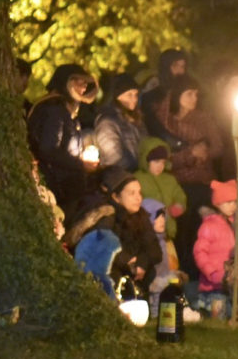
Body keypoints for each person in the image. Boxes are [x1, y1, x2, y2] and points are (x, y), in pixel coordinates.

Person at [156, 75, 224, 277]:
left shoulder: (204, 119)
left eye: (196, 94)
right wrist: (188, 155)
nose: (194, 98)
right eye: (188, 94)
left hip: (201, 183)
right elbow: (162, 156)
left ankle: (201, 275)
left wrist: (203, 154)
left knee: (201, 232)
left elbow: (218, 147)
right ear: (177, 96)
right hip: (176, 184)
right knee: (180, 232)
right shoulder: (165, 122)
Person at [27, 63, 101, 215]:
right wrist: (81, 164)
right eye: (79, 82)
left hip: (66, 187)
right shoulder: (54, 110)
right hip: (59, 188)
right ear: (67, 82)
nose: (84, 87)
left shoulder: (66, 112)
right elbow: (49, 150)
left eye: (86, 84)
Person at [103, 167, 161, 300]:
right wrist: (128, 261)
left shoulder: (142, 217)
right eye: (131, 193)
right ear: (116, 197)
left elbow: (154, 249)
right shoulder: (108, 217)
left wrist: (142, 262)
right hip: (115, 268)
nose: (138, 198)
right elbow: (105, 248)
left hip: (134, 270)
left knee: (150, 271)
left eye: (139, 193)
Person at [192, 179, 238, 313]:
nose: (233, 206)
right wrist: (211, 272)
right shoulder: (209, 226)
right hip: (212, 286)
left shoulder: (232, 226)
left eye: (235, 202)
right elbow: (199, 252)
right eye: (229, 202)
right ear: (218, 203)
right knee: (218, 317)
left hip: (228, 283)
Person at [135, 138, 187, 245]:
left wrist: (179, 205)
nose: (160, 166)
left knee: (170, 259)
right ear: (146, 160)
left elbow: (179, 195)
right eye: (156, 162)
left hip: (169, 228)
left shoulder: (169, 179)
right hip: (149, 230)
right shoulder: (137, 179)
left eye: (163, 162)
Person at [93, 74, 145, 172]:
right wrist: (137, 172)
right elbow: (114, 158)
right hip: (123, 179)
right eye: (129, 95)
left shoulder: (136, 118)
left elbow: (147, 143)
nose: (134, 99)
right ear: (117, 96)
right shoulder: (107, 122)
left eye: (136, 94)